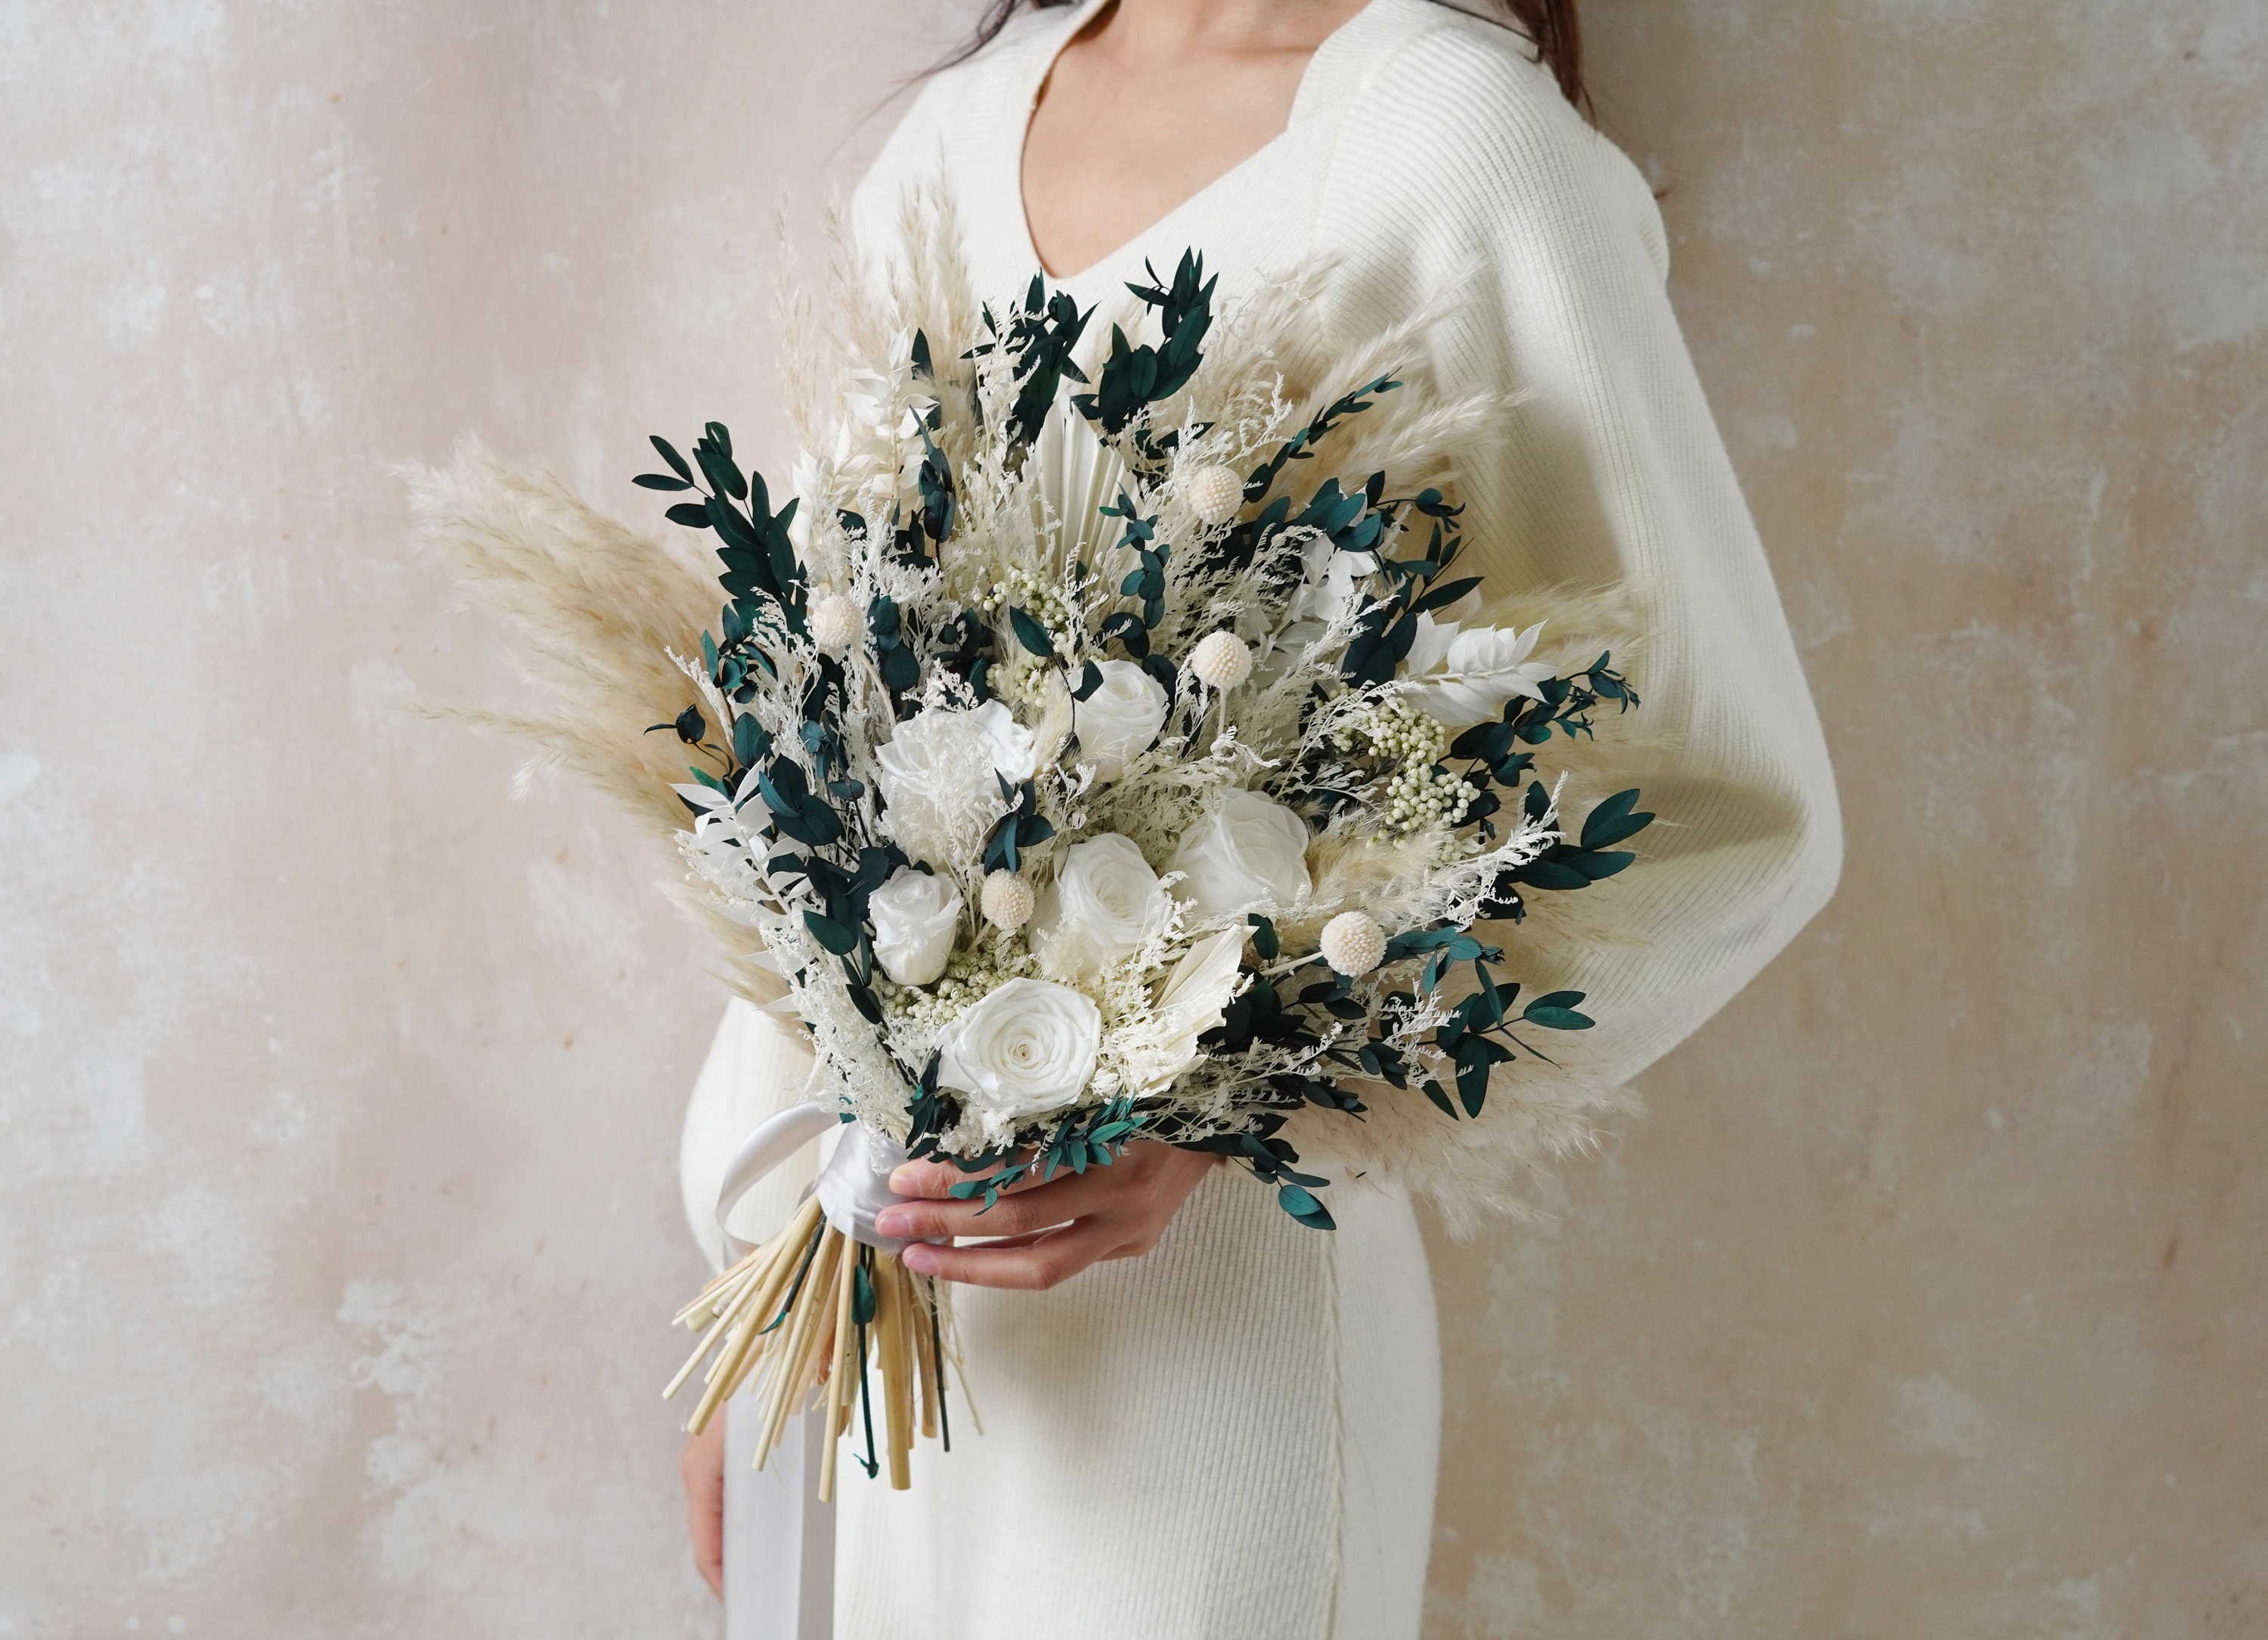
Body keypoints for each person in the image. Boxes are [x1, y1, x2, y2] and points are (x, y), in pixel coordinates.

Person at [680, 1, 1842, 1635]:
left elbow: (1728, 805)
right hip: (886, 1304)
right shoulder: (938, 150)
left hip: (1216, 1344)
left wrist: (1247, 1111)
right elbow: (805, 773)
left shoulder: (1450, 142)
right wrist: (746, 1279)